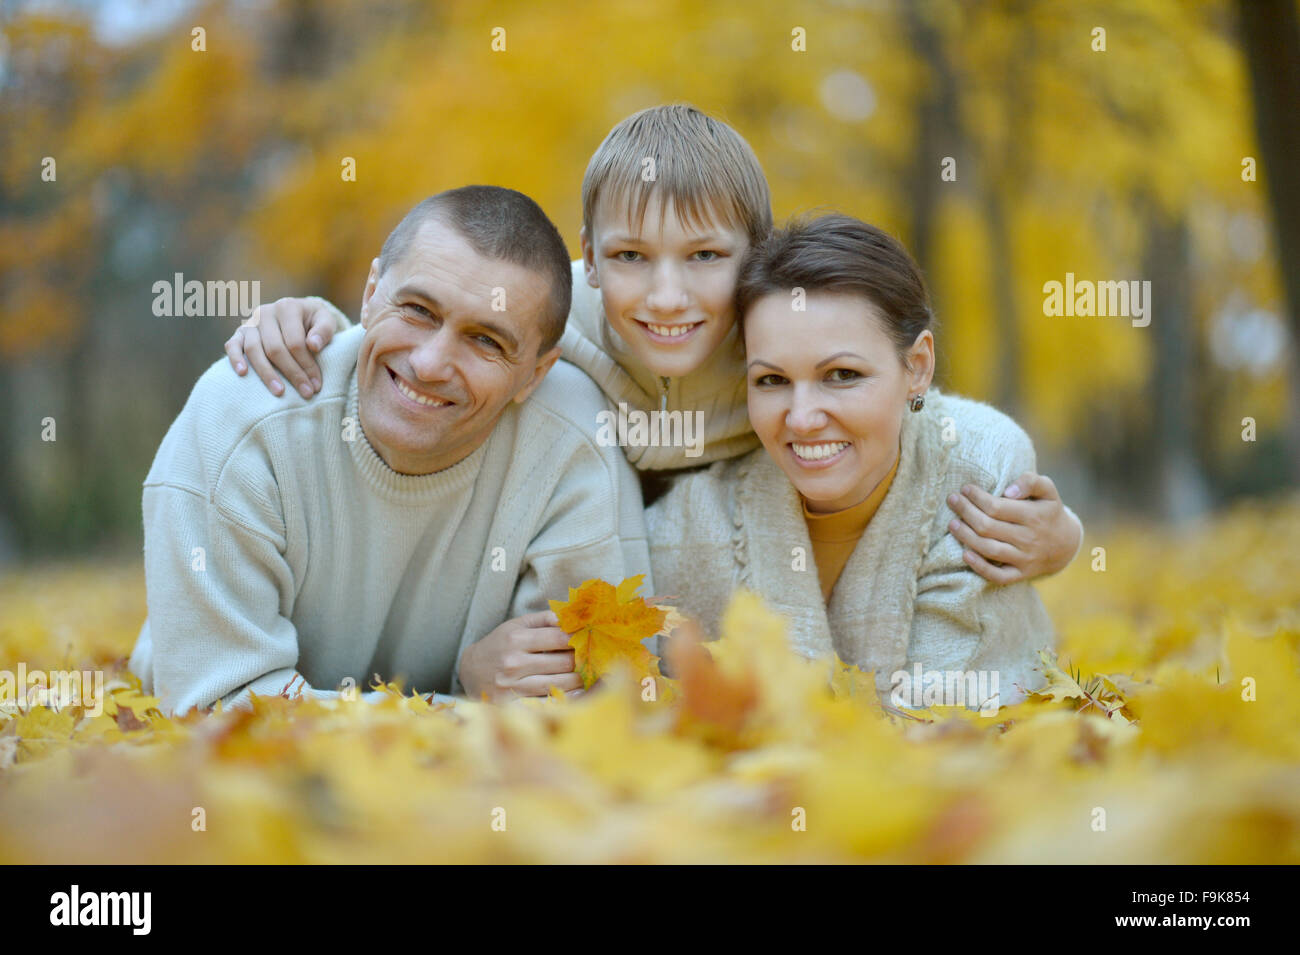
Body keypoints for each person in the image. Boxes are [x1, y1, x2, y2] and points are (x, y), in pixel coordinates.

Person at [223, 104, 1082, 583]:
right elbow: (426, 333)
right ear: (589, 260)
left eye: (705, 258)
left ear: (756, 259)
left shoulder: (779, 349)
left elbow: (902, 412)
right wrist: (310, 317)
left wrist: (1065, 534)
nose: (667, 297)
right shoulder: (554, 323)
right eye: (631, 257)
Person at [129, 186, 650, 716]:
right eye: (418, 310)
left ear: (536, 373)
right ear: (371, 292)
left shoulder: (571, 440)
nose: (429, 363)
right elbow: (220, 705)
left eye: (486, 341)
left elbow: (589, 706)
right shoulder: (243, 419)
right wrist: (462, 701)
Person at [647, 214, 1056, 709]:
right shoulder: (697, 510)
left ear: (918, 366)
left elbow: (941, 714)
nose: (800, 420)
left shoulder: (975, 463)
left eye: (841, 374)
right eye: (772, 381)